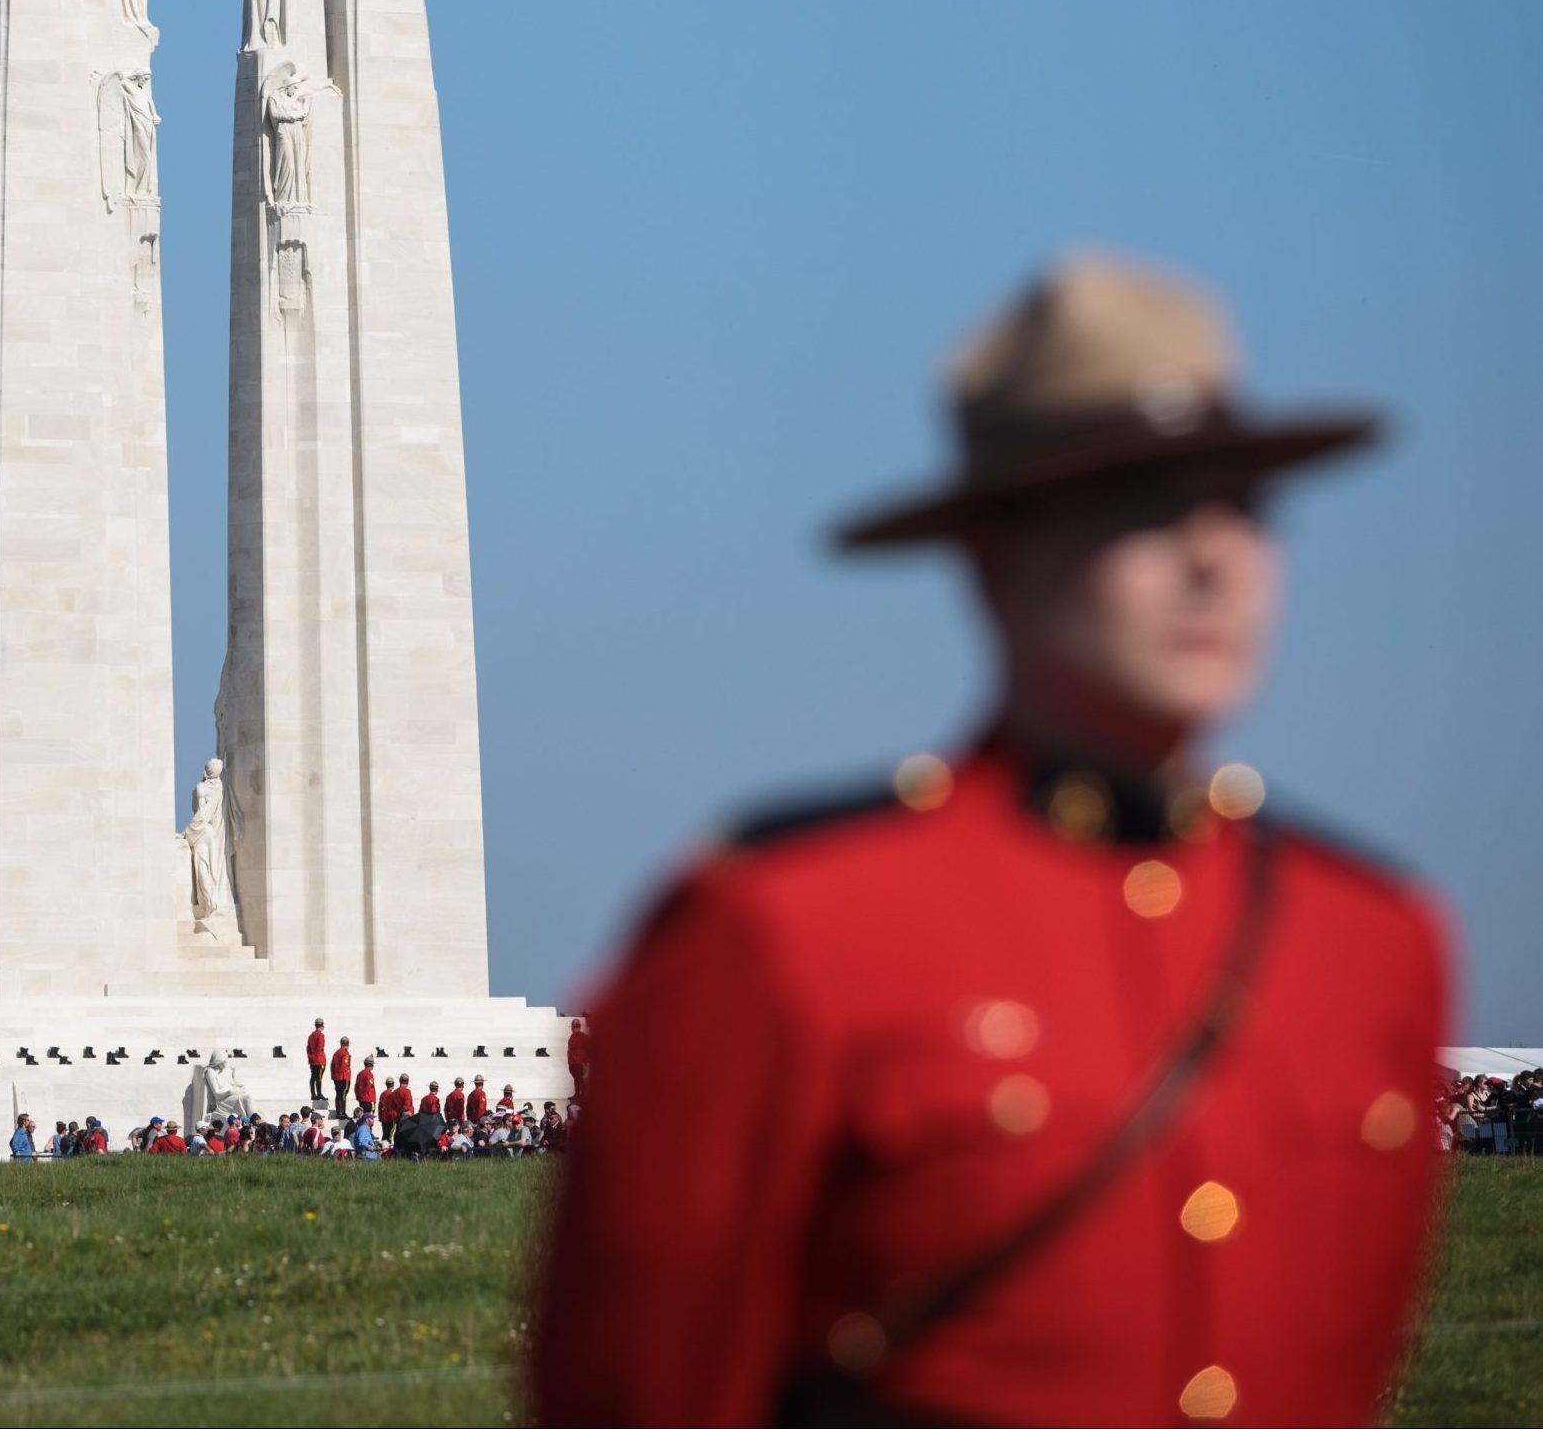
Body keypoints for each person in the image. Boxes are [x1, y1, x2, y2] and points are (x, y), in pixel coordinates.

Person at [531, 253, 1452, 1427]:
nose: (1213, 556)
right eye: (1142, 506)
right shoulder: (785, 931)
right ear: (993, 557)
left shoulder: (1371, 940)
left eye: (1243, 503)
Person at [566, 1016, 591, 1100]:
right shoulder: (572, 1036)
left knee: (581, 1079)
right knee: (576, 1079)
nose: (575, 1027)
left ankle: (584, 1094)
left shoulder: (583, 1036)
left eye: (577, 1025)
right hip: (573, 1062)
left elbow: (589, 1049)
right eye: (574, 1025)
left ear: (579, 1026)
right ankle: (577, 1094)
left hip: (580, 1061)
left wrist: (585, 1062)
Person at [331, 1035, 354, 1117]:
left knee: (338, 1094)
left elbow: (332, 1065)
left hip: (337, 1077)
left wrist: (334, 1076)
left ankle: (338, 1112)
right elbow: (344, 1066)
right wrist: (346, 1076)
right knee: (343, 1095)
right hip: (343, 1077)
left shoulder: (336, 1053)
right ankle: (342, 1112)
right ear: (347, 1044)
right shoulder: (344, 1053)